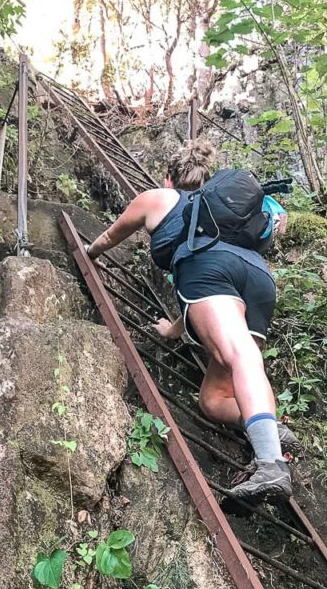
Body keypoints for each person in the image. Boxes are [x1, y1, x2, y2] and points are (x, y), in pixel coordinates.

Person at [84, 138, 295, 504]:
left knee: (239, 354)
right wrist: (172, 330)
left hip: (209, 272)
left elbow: (110, 236)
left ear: (168, 179)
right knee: (213, 400)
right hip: (257, 279)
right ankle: (270, 429)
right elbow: (201, 304)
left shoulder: (158, 198)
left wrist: (90, 252)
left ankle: (271, 462)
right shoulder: (209, 220)